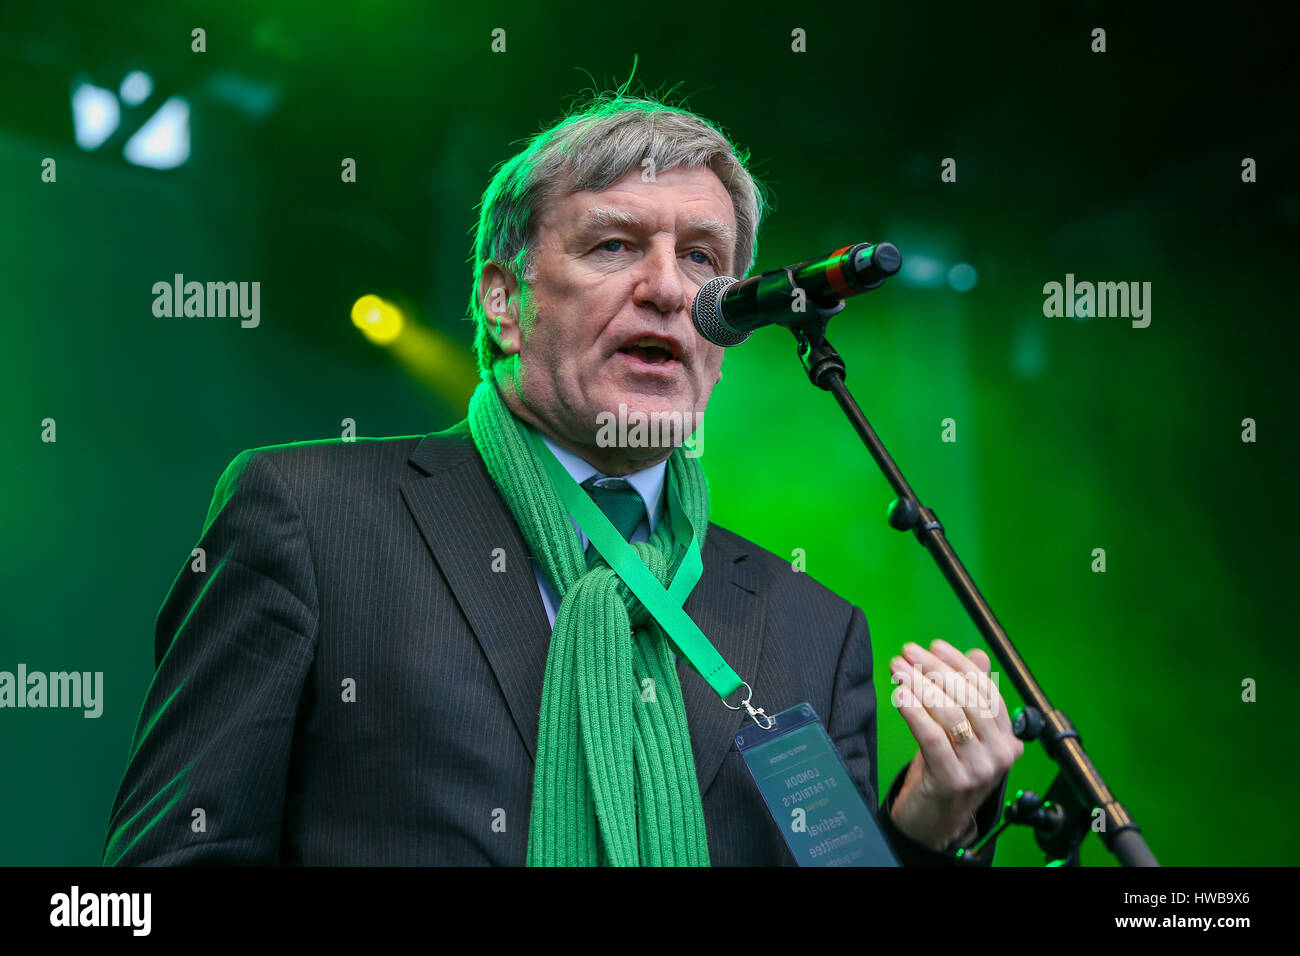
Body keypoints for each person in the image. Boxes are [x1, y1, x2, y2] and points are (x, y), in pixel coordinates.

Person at [103, 93, 1022, 867]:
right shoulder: (310, 520)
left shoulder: (811, 630)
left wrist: (927, 824)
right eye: (615, 246)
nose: (670, 288)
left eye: (703, 258)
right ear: (505, 302)